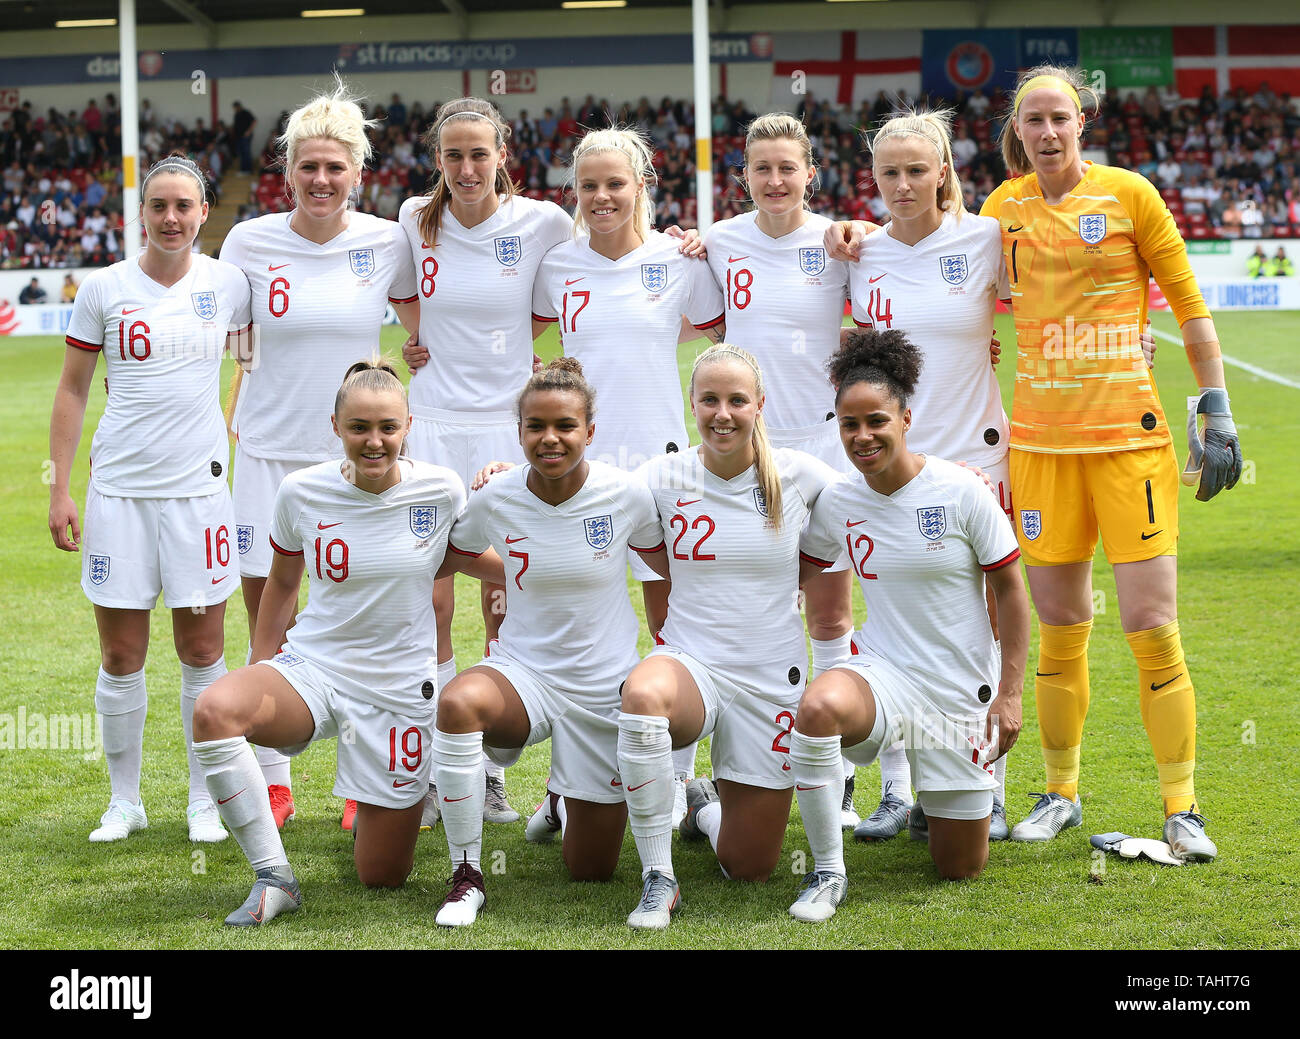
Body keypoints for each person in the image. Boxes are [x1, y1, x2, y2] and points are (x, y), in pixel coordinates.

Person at [981, 66, 1242, 858]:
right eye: (1035, 120)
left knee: (1151, 626)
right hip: (1040, 448)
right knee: (1060, 628)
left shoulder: (1131, 195)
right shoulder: (1000, 209)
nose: (1049, 131)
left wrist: (1216, 405)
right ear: (1018, 131)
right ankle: (1060, 790)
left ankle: (1182, 807)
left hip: (1130, 446)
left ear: (1083, 123)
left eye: (1061, 117)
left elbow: (1190, 304)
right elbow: (948, 285)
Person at [191, 361, 468, 925]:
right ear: (335, 426)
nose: (374, 441)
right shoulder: (301, 491)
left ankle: (399, 795)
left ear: (408, 425)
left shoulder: (441, 489)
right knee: (216, 709)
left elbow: (479, 553)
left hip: (397, 689)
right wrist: (259, 666)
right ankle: (275, 877)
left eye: (388, 427)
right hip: (315, 669)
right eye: (359, 426)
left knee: (381, 877)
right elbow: (282, 585)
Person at [220, 80, 418, 832]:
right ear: (287, 171)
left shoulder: (385, 242)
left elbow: (423, 321)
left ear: (358, 173)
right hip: (268, 454)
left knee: (361, 619)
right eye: (308, 168)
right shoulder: (249, 242)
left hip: (358, 465)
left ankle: (362, 778)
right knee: (267, 613)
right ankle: (272, 776)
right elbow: (228, 340)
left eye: (336, 168)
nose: (322, 181)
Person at [788, 329, 1028, 920]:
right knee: (818, 709)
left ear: (905, 417)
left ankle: (937, 796)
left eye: (876, 420)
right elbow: (796, 568)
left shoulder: (962, 490)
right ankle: (826, 873)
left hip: (957, 690)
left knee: (959, 868)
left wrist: (1011, 693)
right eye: (849, 424)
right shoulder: (840, 501)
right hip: (882, 675)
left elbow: (1011, 592)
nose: (862, 436)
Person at [48, 155, 252, 845]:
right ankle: (125, 801)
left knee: (202, 649)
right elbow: (74, 388)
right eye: (159, 205)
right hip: (119, 496)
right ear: (141, 212)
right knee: (120, 655)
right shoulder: (104, 288)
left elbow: (258, 361)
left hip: (198, 496)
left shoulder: (227, 283)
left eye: (184, 206)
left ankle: (203, 801)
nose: (171, 217)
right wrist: (61, 487)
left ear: (203, 212)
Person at [529, 126, 724, 831]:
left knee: (674, 620)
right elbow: (508, 342)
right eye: (590, 185)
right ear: (574, 193)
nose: (603, 196)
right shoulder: (557, 266)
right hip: (579, 472)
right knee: (582, 623)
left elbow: (729, 337)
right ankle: (572, 783)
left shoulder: (680, 261)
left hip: (664, 468)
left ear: (642, 184)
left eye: (616, 183)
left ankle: (677, 780)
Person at [431, 359, 665, 927]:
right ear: (519, 433)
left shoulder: (626, 494)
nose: (550, 438)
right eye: (536, 426)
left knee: (590, 870)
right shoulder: (498, 495)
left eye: (565, 425)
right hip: (523, 675)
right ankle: (467, 874)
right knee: (459, 703)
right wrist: (511, 568)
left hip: (603, 689)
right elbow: (455, 551)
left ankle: (561, 800)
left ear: (590, 431)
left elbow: (663, 565)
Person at [617, 344, 839, 930]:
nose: (723, 413)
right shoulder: (661, 477)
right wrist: (502, 473)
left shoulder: (801, 475)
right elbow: (583, 490)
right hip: (692, 664)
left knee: (749, 867)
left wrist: (953, 473)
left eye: (736, 400)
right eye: (709, 399)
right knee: (643, 696)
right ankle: (658, 880)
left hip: (772, 679)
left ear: (759, 405)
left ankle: (703, 809)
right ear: (691, 405)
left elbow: (879, 491)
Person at [397, 97, 574, 826]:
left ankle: (494, 770)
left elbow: (540, 312)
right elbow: (408, 301)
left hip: (510, 429)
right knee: (428, 598)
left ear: (505, 153)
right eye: (453, 155)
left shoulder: (543, 224)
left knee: (509, 597)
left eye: (480, 153)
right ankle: (440, 773)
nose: (467, 168)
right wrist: (424, 341)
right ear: (437, 160)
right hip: (433, 425)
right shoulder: (414, 219)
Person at [700, 113, 861, 828]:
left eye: (786, 168)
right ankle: (720, 765)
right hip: (746, 452)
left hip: (825, 448)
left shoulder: (840, 242)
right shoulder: (720, 243)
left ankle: (838, 766)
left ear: (809, 174)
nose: (774, 180)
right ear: (744, 176)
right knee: (743, 600)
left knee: (829, 608)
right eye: (761, 168)